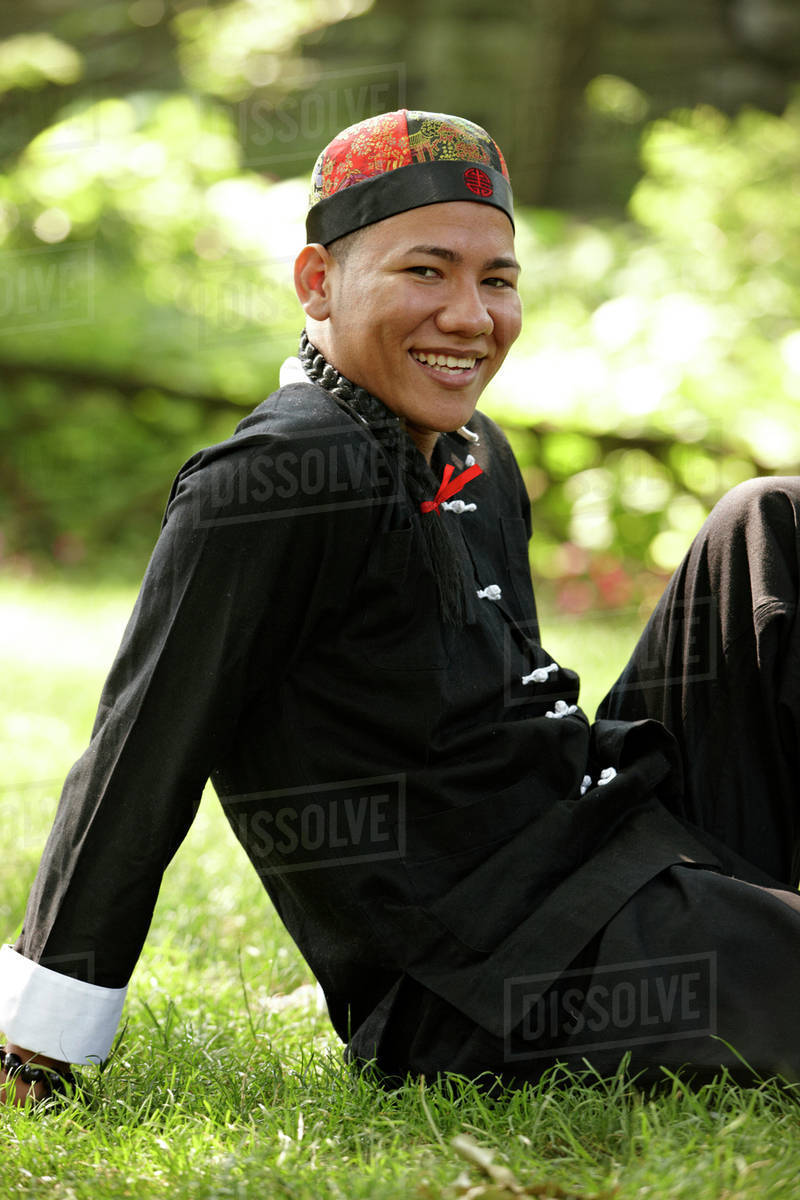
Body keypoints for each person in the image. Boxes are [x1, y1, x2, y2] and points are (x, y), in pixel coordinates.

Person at [4, 108, 800, 1105]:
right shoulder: (271, 481)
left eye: (496, 280)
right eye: (426, 271)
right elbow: (140, 758)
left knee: (768, 521)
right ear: (316, 283)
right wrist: (40, 1041)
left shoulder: (476, 451)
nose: (470, 317)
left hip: (605, 831)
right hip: (489, 978)